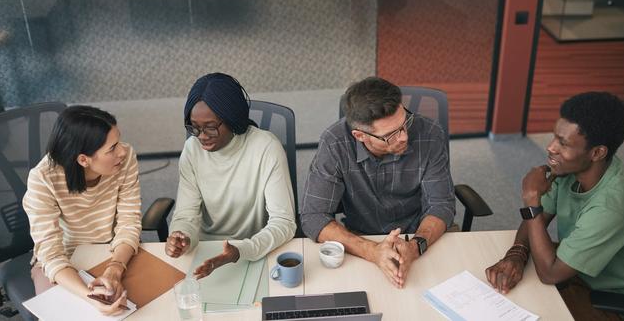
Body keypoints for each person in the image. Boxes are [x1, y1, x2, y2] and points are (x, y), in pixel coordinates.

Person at [485, 92, 624, 320]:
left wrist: (532, 198)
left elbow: (550, 273)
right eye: (554, 137)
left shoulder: (611, 207)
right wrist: (516, 254)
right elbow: (539, 219)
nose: (550, 148)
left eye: (564, 143)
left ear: (597, 153)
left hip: (614, 302)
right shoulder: (569, 171)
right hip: (580, 274)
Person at [300, 77, 456, 288]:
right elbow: (313, 217)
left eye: (404, 123)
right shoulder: (335, 142)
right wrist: (372, 251)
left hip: (418, 234)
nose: (403, 137)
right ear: (360, 135)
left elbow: (442, 205)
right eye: (390, 135)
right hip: (360, 238)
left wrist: (415, 245)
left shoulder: (430, 134)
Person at [165, 73, 296, 278]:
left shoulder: (266, 147)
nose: (202, 136)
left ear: (232, 119)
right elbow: (185, 215)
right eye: (194, 127)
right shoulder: (192, 150)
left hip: (254, 249)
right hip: (205, 254)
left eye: (210, 127)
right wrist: (183, 236)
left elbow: (284, 223)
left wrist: (240, 251)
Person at [23, 106, 142, 316]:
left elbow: (129, 222)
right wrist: (90, 297)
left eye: (119, 142)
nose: (122, 151)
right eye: (112, 148)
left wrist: (115, 268)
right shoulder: (43, 178)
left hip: (113, 250)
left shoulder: (124, 159)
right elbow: (50, 254)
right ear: (83, 159)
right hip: (64, 262)